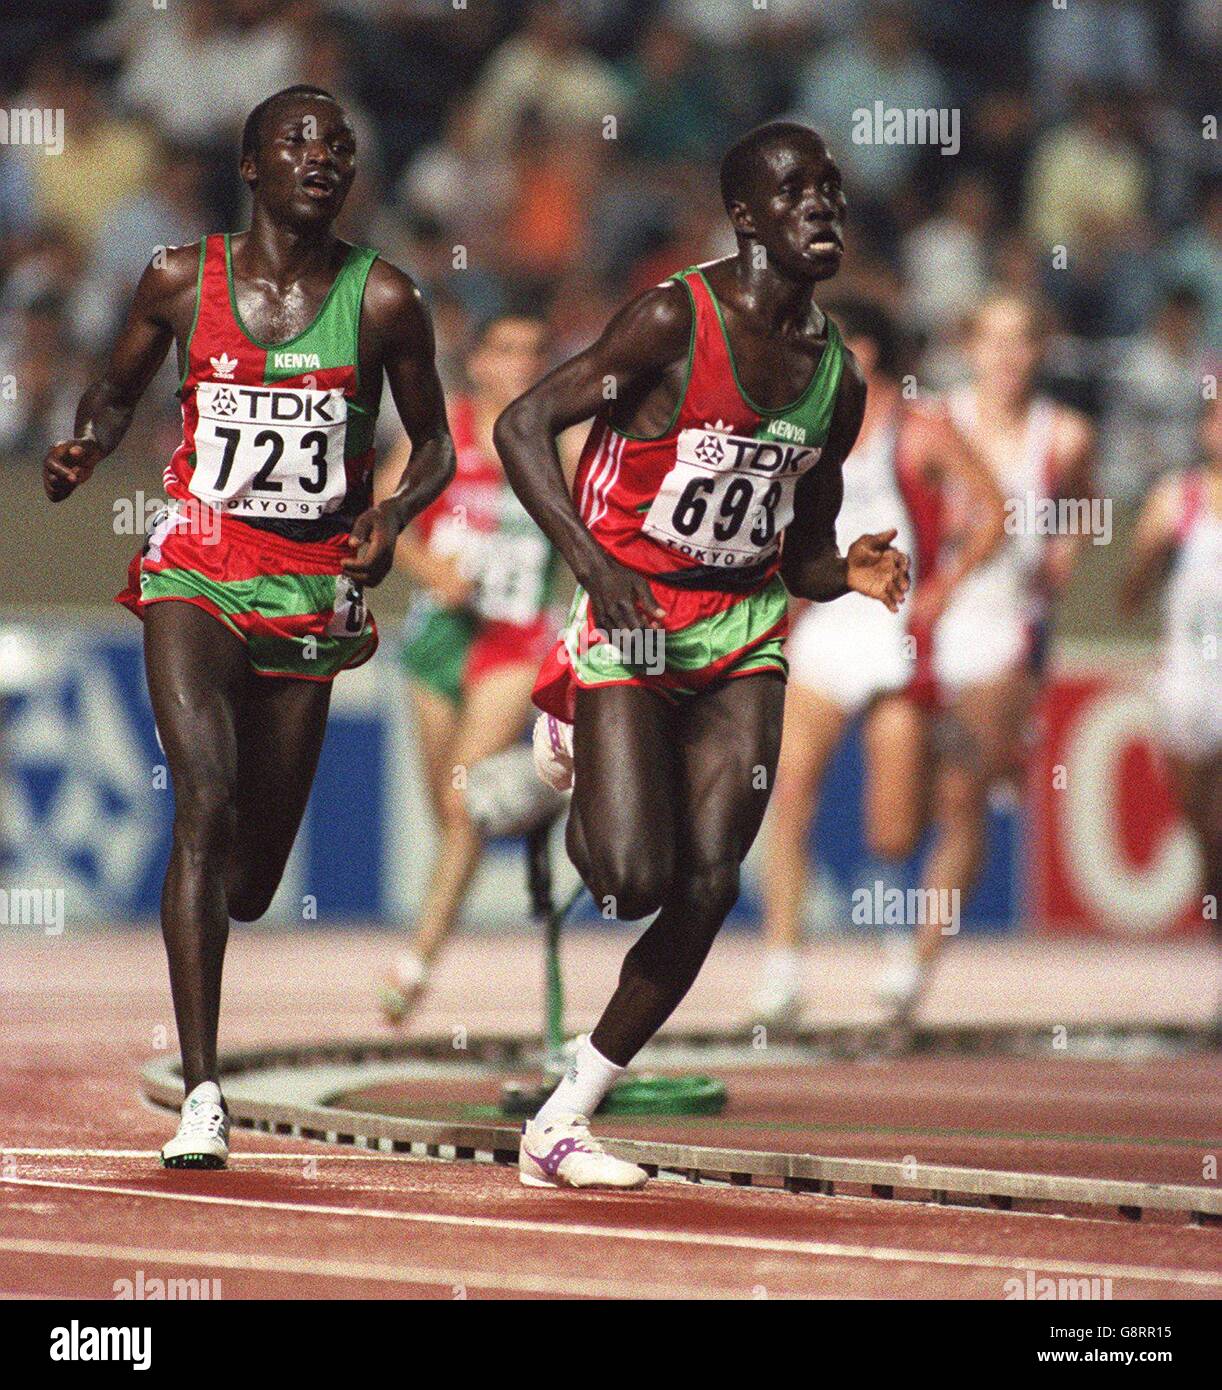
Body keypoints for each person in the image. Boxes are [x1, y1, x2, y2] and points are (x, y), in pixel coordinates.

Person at [42, 86, 455, 1169]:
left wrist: (391, 514)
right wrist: (88, 443)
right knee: (204, 800)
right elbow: (115, 391)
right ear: (251, 163)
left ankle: (218, 920)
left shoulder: (385, 299)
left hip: (311, 588)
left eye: (339, 145)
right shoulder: (181, 278)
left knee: (253, 878)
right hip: (199, 562)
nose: (322, 157)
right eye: (298, 141)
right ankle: (203, 1091)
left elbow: (437, 445)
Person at [496, 121, 910, 1190]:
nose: (823, 205)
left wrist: (848, 571)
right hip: (632, 609)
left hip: (740, 629)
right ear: (745, 216)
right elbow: (522, 424)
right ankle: (571, 729)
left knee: (712, 878)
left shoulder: (838, 382)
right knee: (628, 877)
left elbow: (801, 552)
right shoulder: (672, 319)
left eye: (832, 188)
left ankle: (564, 1117)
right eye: (796, 189)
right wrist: (593, 569)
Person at [751, 295, 1004, 1031]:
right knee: (789, 795)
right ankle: (782, 966)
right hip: (827, 630)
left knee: (893, 828)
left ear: (864, 350)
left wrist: (946, 587)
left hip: (895, 634)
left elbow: (992, 510)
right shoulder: (801, 430)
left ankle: (897, 950)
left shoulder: (919, 428)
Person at [911, 292, 1094, 1014]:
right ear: (971, 348)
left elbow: (1085, 506)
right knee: (916, 801)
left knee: (961, 795)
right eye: (993, 339)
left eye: (1021, 340)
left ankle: (917, 962)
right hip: (927, 621)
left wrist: (1067, 548)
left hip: (1005, 624)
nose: (1007, 355)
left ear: (1038, 351)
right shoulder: (935, 422)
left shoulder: (1064, 435)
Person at [378, 313, 558, 1026]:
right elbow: (382, 516)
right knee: (451, 810)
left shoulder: (557, 439)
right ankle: (531, 798)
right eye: (506, 349)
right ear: (478, 361)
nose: (521, 363)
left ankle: (417, 960)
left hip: (514, 643)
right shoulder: (440, 432)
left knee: (461, 804)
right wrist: (433, 572)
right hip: (438, 638)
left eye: (534, 351)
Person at [1121, 395, 1221, 931]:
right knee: (1203, 823)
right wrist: (1149, 552)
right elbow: (1130, 599)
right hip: (1190, 683)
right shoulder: (1176, 498)